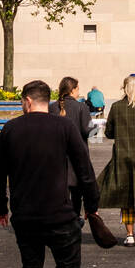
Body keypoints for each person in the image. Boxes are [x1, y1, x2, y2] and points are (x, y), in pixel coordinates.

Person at [0, 79, 101, 268]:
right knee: (69, 266)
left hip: (25, 215)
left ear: (27, 101)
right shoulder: (63, 127)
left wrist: (0, 206)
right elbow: (84, 168)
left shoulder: (11, 128)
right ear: (43, 100)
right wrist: (92, 204)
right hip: (58, 213)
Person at [97, 74, 135, 246]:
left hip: (123, 156)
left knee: (126, 195)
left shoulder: (117, 108)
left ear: (124, 88)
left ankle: (130, 234)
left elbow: (109, 133)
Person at [49, 76, 92, 221]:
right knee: (77, 190)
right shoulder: (81, 107)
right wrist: (97, 128)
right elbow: (88, 131)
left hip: (57, 155)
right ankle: (74, 217)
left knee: (61, 190)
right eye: (78, 88)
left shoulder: (52, 107)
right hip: (77, 155)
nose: (79, 92)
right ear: (72, 90)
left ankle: (62, 217)